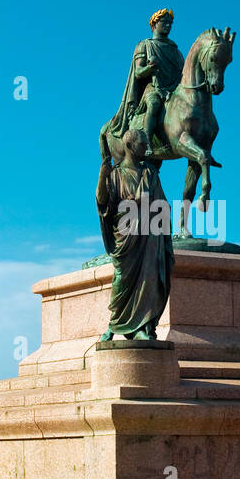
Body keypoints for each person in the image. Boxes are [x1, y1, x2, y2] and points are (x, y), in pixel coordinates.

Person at [96, 129, 174, 340]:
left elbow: (163, 203)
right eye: (142, 144)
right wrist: (102, 176)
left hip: (149, 235)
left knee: (148, 278)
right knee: (122, 280)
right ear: (130, 146)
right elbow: (103, 202)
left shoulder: (150, 173)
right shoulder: (115, 174)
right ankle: (115, 325)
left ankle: (143, 327)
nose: (147, 148)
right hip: (126, 234)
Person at [105, 8, 184, 156]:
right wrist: (149, 68)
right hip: (153, 88)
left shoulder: (176, 51)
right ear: (154, 25)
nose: (168, 26)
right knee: (154, 104)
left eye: (170, 23)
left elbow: (182, 74)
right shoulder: (145, 45)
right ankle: (147, 143)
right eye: (164, 22)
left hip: (173, 89)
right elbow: (138, 72)